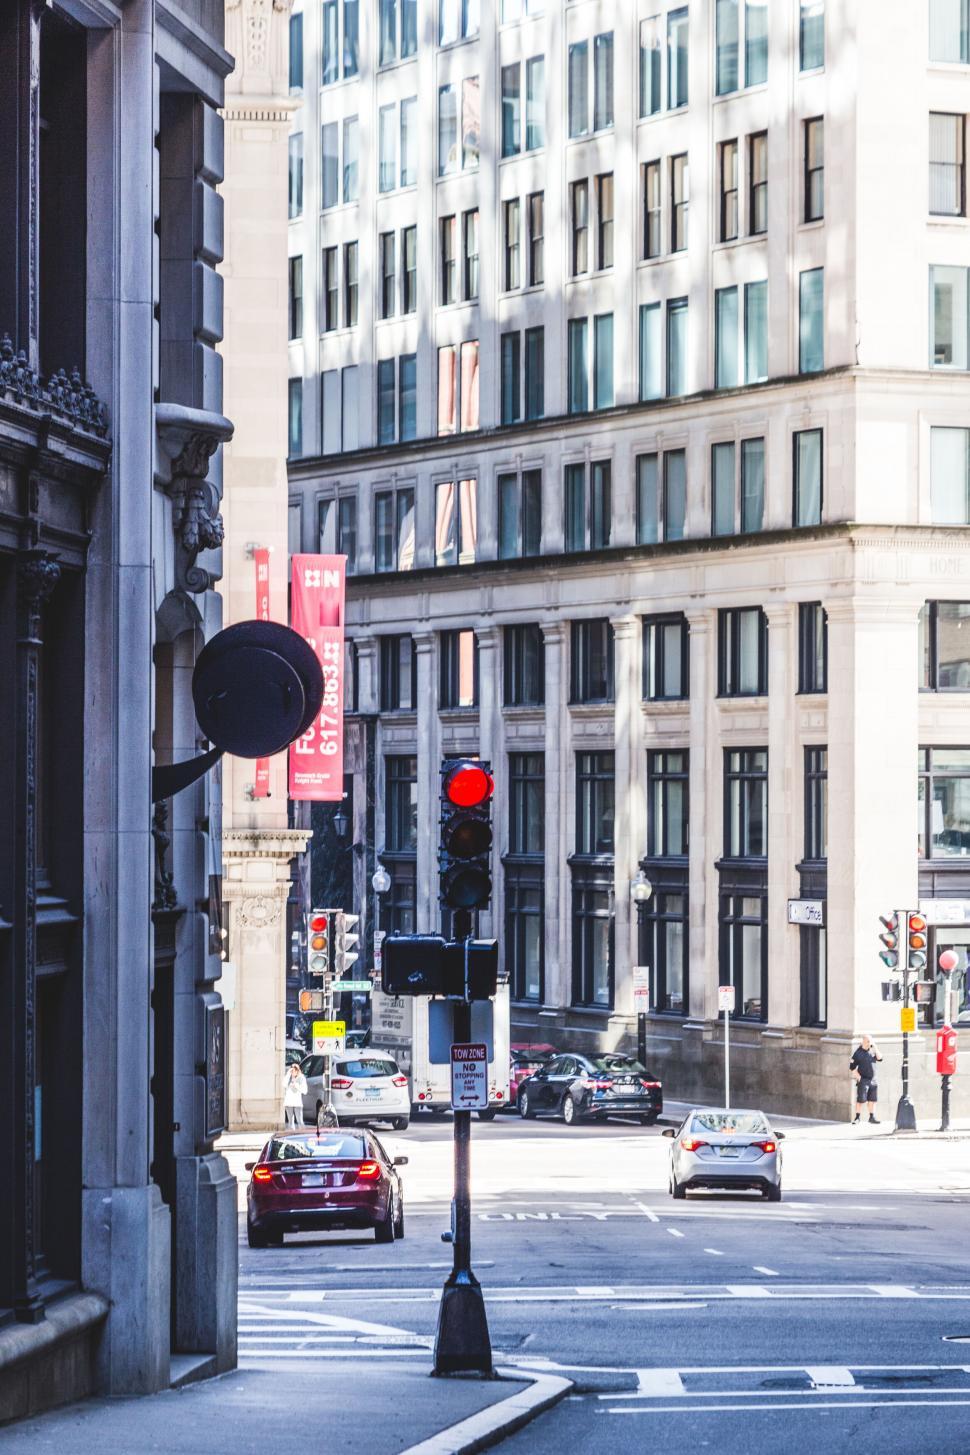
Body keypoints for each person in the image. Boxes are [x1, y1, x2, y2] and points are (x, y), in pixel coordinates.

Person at [849, 1034, 883, 1124]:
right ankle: (857, 1117)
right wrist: (859, 1077)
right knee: (860, 1099)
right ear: (863, 1041)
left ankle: (871, 1117)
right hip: (863, 1079)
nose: (869, 1043)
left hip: (873, 1080)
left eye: (870, 1041)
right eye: (868, 1041)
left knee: (872, 1100)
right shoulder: (858, 1053)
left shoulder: (872, 1050)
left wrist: (875, 1047)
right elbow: (852, 1068)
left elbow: (880, 1058)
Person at [283, 1061, 307, 1128]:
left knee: (300, 1121)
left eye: (294, 1071)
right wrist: (288, 1074)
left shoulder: (301, 1078)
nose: (292, 1072)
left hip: (297, 1103)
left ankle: (303, 1134)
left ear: (297, 1071)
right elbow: (284, 1084)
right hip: (288, 1102)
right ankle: (291, 1135)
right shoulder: (289, 1077)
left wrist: (296, 1085)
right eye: (291, 1071)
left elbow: (305, 1091)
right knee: (290, 1122)